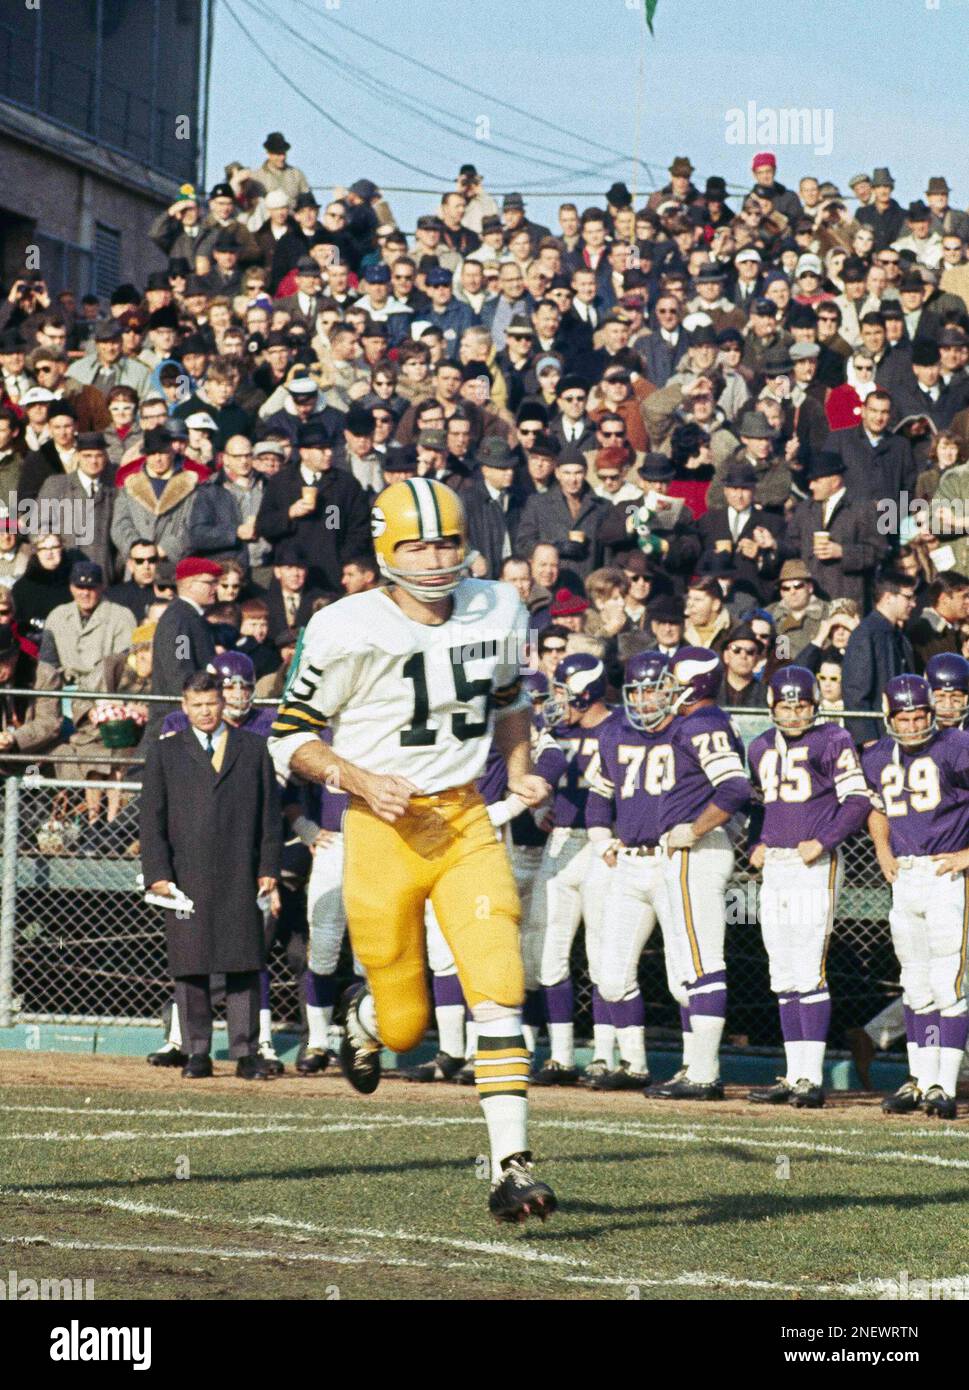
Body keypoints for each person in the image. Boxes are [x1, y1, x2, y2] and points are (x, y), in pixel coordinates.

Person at [267, 478, 557, 1223]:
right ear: (385, 550)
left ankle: (510, 1166)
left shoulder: (497, 604)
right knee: (404, 1025)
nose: (434, 558)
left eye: (447, 542)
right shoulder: (343, 626)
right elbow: (289, 734)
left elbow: (509, 698)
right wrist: (357, 776)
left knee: (499, 980)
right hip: (380, 830)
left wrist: (520, 768)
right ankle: (362, 1025)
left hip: (462, 823)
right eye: (417, 544)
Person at [140, 672, 282, 1081]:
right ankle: (196, 1051)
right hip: (186, 875)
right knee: (191, 965)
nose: (205, 711)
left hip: (241, 870)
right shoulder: (164, 753)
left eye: (211, 703)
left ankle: (246, 1052)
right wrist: (158, 874)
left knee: (243, 963)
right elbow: (152, 819)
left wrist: (268, 867)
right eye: (196, 705)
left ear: (223, 703)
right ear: (184, 707)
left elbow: (270, 816)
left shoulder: (253, 749)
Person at [747, 667, 871, 1106]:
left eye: (802, 706)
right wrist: (758, 842)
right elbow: (764, 807)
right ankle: (794, 1073)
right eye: (786, 706)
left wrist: (824, 840)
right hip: (777, 865)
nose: (795, 714)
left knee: (807, 965)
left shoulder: (832, 739)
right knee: (781, 968)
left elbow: (858, 800)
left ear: (815, 705)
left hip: (813, 863)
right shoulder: (759, 745)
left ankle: (810, 1078)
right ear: (772, 706)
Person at [862, 674, 969, 1119]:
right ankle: (922, 1079)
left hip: (947, 875)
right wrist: (882, 849)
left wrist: (967, 854)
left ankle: (944, 1083)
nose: (912, 726)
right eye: (903, 718)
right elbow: (877, 809)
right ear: (889, 718)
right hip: (906, 876)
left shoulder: (955, 746)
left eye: (920, 716)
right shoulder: (877, 756)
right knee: (916, 984)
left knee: (949, 983)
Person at [646, 647, 751, 1100]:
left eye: (672, 681)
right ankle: (695, 1065)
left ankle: (704, 1073)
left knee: (703, 960)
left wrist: (696, 827)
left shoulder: (704, 722)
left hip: (699, 850)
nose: (665, 690)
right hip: (693, 850)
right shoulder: (693, 723)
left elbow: (734, 786)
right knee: (686, 966)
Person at [587, 651, 680, 1090]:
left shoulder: (686, 731)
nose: (644, 699)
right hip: (629, 863)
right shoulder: (616, 733)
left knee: (685, 976)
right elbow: (598, 797)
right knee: (611, 974)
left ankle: (698, 1068)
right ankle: (634, 1064)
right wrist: (601, 839)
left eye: (652, 689)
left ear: (669, 690)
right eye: (637, 690)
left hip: (675, 863)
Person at [526, 653, 612, 1088]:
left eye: (563, 690)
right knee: (549, 951)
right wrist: (544, 806)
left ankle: (603, 1054)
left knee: (602, 956)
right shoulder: (555, 731)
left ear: (587, 690)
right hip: (561, 842)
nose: (556, 699)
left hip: (603, 848)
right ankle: (560, 1055)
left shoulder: (619, 729)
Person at [147, 557, 221, 738]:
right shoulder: (179, 620)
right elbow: (179, 671)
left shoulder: (188, 617)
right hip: (177, 719)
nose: (215, 588)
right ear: (188, 584)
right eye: (209, 582)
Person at [842, 571, 918, 744]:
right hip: (879, 740)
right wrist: (869, 742)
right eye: (908, 597)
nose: (913, 604)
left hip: (900, 736)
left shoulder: (899, 637)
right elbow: (855, 694)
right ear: (888, 597)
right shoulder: (866, 635)